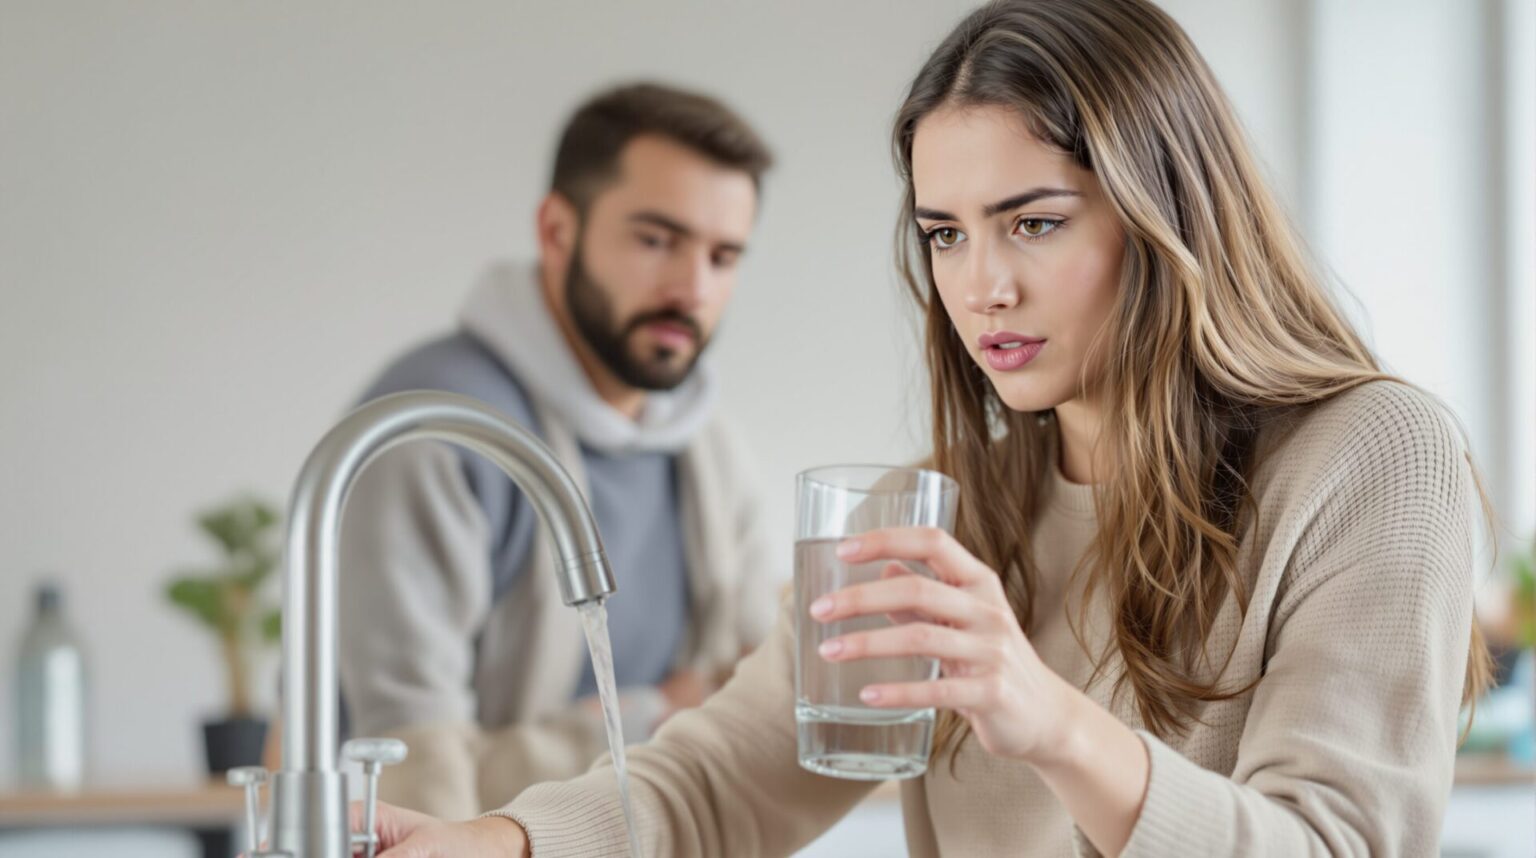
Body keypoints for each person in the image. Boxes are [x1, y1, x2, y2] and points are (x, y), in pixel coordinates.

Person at [352, 1, 1491, 854]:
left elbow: (1335, 847)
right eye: (945, 234)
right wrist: (496, 841)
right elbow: (721, 778)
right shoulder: (947, 501)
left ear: (1167, 213)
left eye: (1032, 223)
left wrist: (1045, 719)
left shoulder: (1370, 457)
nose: (981, 285)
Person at [332, 82, 780, 820]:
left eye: (723, 256)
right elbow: (413, 777)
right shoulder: (437, 431)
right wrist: (652, 719)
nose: (691, 288)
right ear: (556, 231)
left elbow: (755, 710)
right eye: (656, 239)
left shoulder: (709, 449)